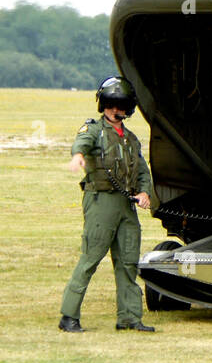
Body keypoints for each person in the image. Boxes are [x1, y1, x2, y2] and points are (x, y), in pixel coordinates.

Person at [58, 76, 158, 333]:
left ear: (128, 109)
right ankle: (69, 316)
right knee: (90, 259)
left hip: (127, 207)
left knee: (128, 262)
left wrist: (145, 193)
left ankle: (130, 317)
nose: (115, 110)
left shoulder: (131, 140)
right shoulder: (93, 130)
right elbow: (81, 143)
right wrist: (78, 156)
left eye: (121, 105)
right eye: (111, 105)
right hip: (101, 203)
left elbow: (143, 172)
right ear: (103, 106)